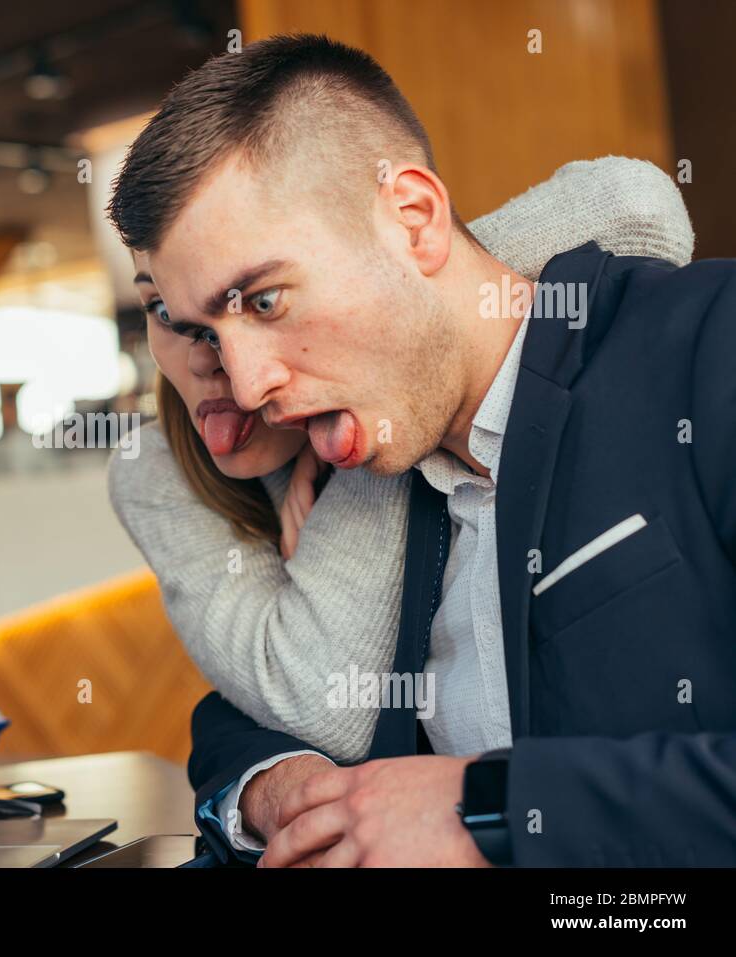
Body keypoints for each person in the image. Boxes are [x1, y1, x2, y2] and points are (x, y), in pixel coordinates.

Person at [107, 33, 736, 867]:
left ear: (415, 220)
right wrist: (268, 786)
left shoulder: (709, 345)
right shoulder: (371, 461)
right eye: (201, 328)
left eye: (264, 299)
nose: (246, 384)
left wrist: (486, 808)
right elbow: (258, 710)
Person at [110, 158, 693, 778]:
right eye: (167, 315)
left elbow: (638, 202)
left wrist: (407, 316)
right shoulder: (155, 470)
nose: (218, 365)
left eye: (264, 300)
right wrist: (361, 441)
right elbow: (323, 703)